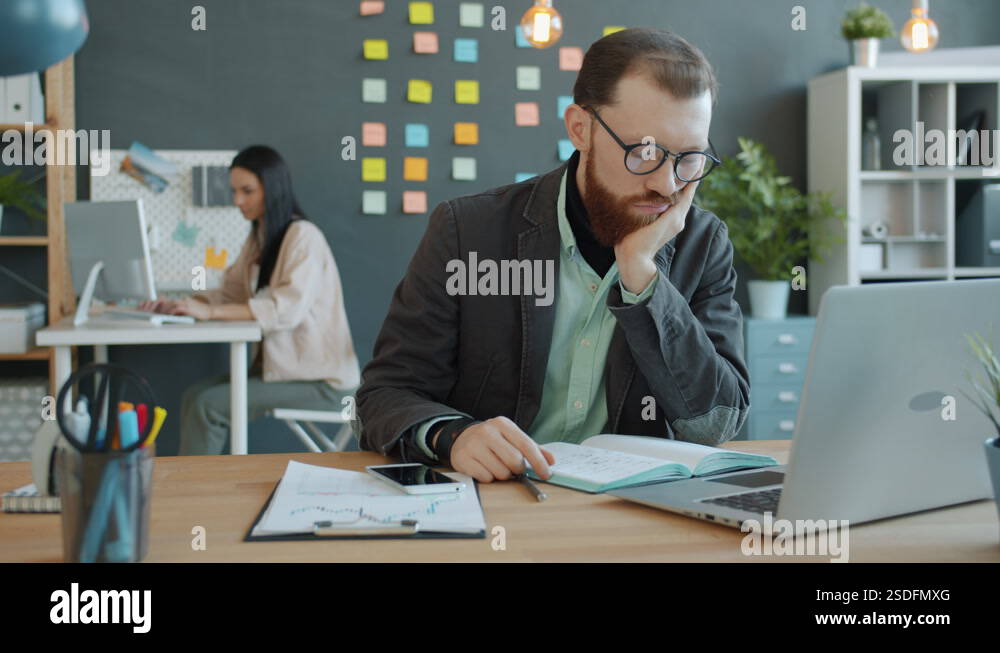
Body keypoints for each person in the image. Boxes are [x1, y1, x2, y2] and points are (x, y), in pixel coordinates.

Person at [356, 28, 749, 483]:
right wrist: (454, 436)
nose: (667, 184)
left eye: (690, 158)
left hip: (628, 510)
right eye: (644, 153)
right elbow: (385, 394)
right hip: (496, 501)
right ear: (580, 129)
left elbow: (713, 424)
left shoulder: (703, 245)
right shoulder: (467, 232)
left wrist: (645, 282)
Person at [141, 145, 361, 455]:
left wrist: (210, 312)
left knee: (207, 406)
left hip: (323, 384)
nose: (237, 201)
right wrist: (182, 303)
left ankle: (200, 496)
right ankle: (196, 489)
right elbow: (231, 291)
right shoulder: (260, 237)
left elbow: (284, 311)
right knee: (194, 396)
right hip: (284, 373)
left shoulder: (303, 237)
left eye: (247, 191)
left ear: (272, 189)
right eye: (234, 191)